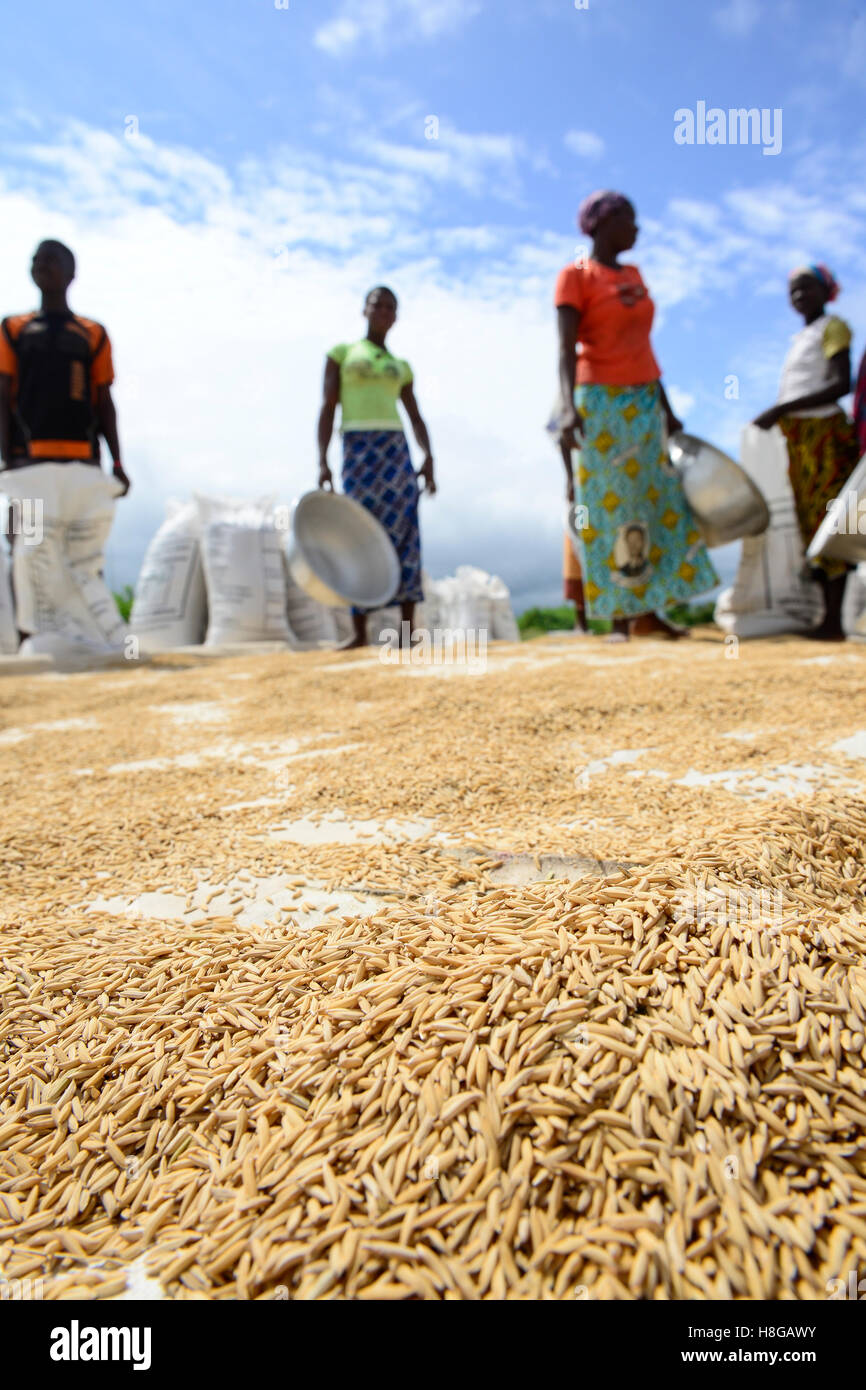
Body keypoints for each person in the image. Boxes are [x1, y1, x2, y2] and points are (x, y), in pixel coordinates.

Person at [555, 192, 717, 640]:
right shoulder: (575, 276)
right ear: (603, 225)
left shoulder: (634, 275)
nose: (637, 228)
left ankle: (649, 609)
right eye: (629, 220)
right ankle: (618, 615)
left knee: (655, 500)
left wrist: (666, 409)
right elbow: (565, 349)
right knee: (610, 504)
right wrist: (568, 407)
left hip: (644, 401)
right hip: (600, 402)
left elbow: (645, 349)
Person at [317, 287, 436, 648]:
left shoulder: (401, 367)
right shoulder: (342, 354)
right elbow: (328, 407)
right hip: (357, 447)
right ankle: (359, 631)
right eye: (377, 305)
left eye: (390, 307)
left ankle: (405, 630)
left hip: (395, 448)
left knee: (405, 530)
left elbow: (415, 415)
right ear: (364, 310)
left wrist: (428, 456)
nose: (383, 312)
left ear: (396, 316)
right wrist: (322, 461)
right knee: (360, 532)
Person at [753, 264, 858, 641]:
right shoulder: (801, 337)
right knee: (809, 522)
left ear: (826, 291)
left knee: (831, 521)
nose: (799, 296)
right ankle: (824, 618)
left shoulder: (833, 329)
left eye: (807, 288)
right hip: (799, 439)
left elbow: (839, 383)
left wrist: (780, 409)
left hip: (825, 435)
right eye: (793, 290)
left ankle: (833, 622)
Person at [0, 241, 130, 492]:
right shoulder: (12, 328)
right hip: (27, 461)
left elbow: (104, 402)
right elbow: (2, 396)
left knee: (80, 530)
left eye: (50, 259)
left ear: (71, 274)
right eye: (35, 260)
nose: (40, 265)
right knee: (22, 530)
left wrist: (117, 463)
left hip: (83, 462)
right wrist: (6, 459)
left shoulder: (93, 333)